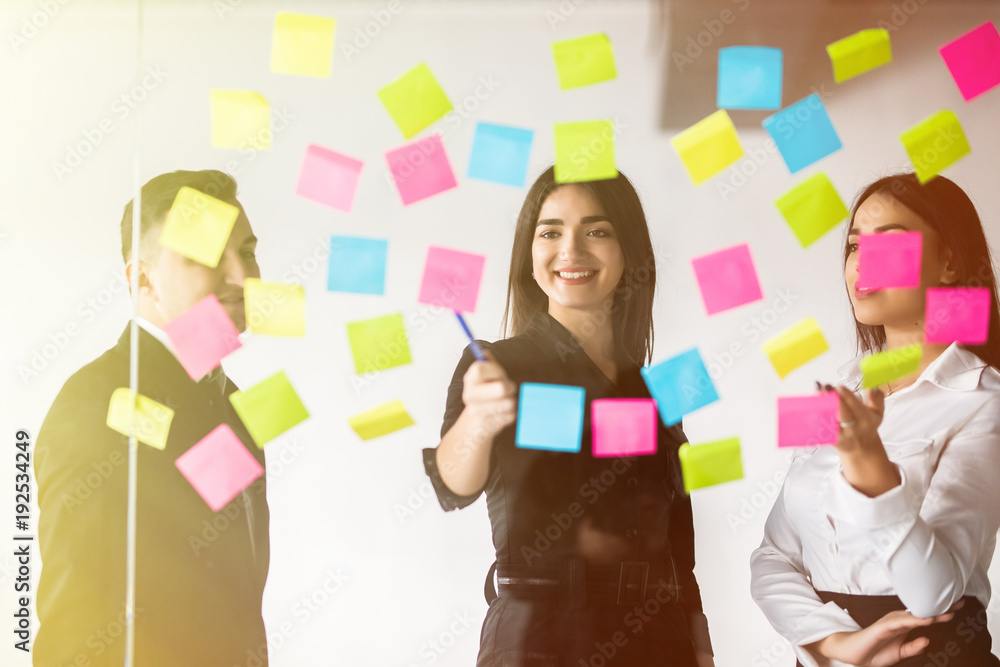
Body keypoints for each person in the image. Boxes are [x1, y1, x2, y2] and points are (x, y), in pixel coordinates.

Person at [423, 166, 715, 666]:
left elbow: (679, 552)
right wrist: (478, 418)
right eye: (551, 232)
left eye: (597, 231)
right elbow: (453, 486)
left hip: (659, 643)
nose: (571, 250)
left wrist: (702, 651)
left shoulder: (662, 387)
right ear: (530, 256)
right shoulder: (495, 364)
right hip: (537, 641)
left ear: (629, 254)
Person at [750, 173, 1000, 667]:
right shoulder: (837, 394)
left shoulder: (983, 399)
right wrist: (834, 642)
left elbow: (935, 595)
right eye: (852, 246)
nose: (862, 263)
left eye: (888, 242)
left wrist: (873, 476)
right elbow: (772, 558)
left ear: (949, 262)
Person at [34, 170, 271, 666]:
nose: (243, 278)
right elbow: (74, 621)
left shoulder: (235, 405)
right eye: (209, 257)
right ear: (142, 278)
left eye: (247, 252)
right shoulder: (95, 404)